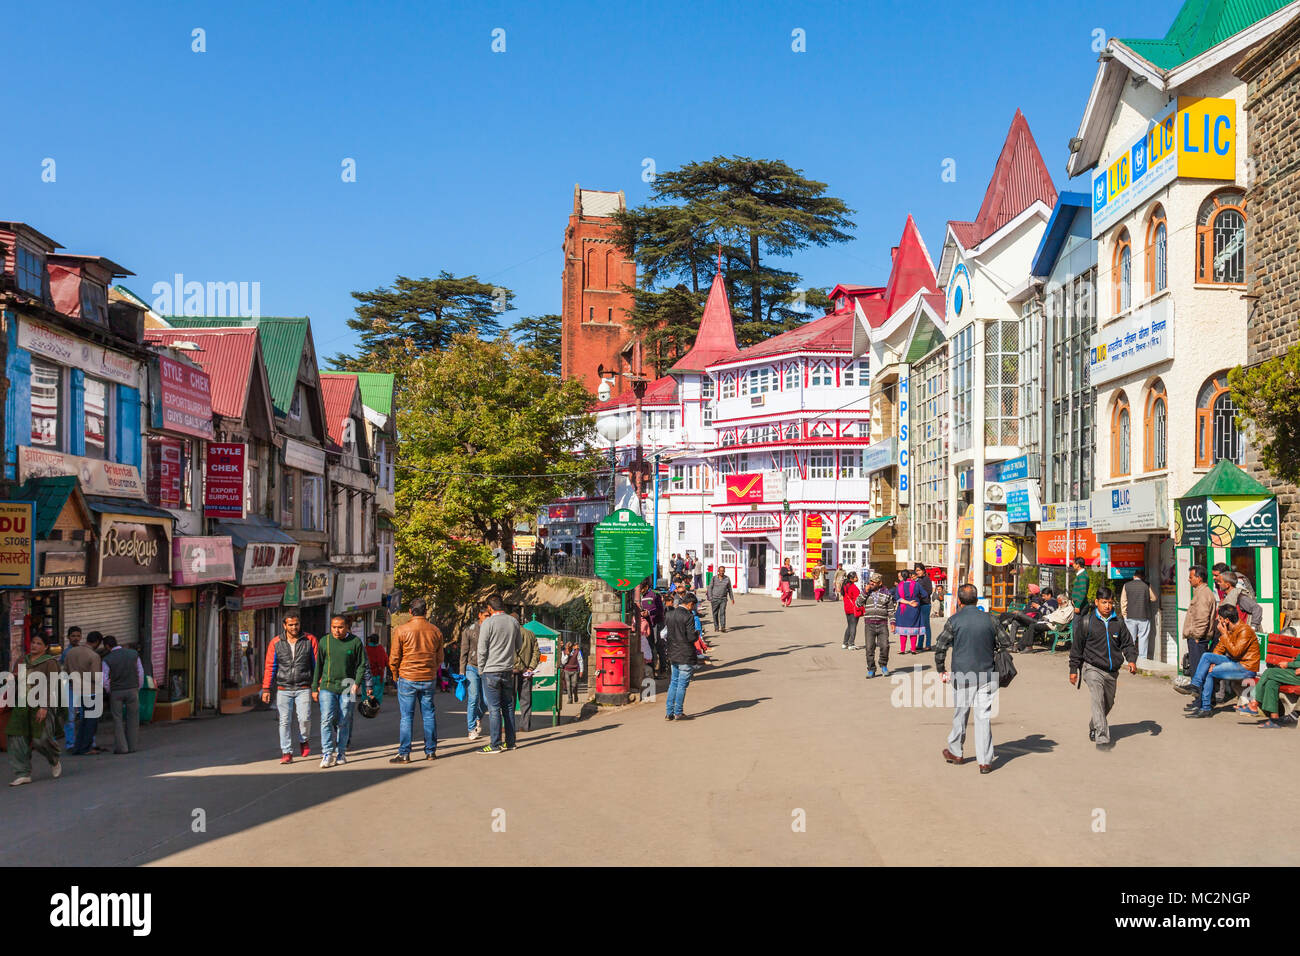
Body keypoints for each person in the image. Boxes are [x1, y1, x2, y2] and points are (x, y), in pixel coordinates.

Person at [935, 584, 1009, 774]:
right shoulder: (990, 619)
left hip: (962, 673)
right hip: (987, 673)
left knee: (961, 714)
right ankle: (985, 761)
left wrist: (941, 668)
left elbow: (941, 646)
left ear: (959, 600)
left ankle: (956, 752)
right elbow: (1006, 641)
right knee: (983, 717)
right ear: (977, 600)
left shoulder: (954, 621)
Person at [1069, 587, 1138, 750]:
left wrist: (1132, 660)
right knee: (1097, 699)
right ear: (1097, 603)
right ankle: (1102, 738)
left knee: (1108, 703)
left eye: (1110, 602)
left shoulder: (1118, 622)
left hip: (1112, 672)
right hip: (1092, 668)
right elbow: (1076, 648)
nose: (1107, 606)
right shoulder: (1087, 622)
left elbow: (1127, 643)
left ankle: (1094, 724)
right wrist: (1073, 670)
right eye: (1104, 602)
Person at [1175, 604, 1260, 718]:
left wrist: (1224, 634)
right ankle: (1195, 685)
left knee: (1211, 672)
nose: (1218, 621)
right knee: (1206, 656)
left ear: (1227, 620)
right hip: (1235, 662)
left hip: (1246, 667)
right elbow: (1220, 647)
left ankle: (1206, 708)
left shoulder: (1245, 631)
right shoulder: (1229, 629)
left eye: (1220, 618)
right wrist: (1213, 661)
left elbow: (1236, 652)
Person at [388, 598, 443, 762]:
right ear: (425, 611)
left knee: (406, 716)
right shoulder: (435, 631)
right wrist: (432, 670)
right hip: (428, 677)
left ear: (410, 612)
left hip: (407, 677)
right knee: (428, 715)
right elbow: (440, 658)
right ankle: (430, 751)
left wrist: (394, 674)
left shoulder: (401, 630)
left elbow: (394, 657)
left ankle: (404, 753)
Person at [312, 615, 371, 768]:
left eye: (339, 627)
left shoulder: (355, 642)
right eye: (333, 627)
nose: (336, 630)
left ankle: (341, 752)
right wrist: (314, 687)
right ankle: (327, 753)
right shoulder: (325, 641)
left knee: (344, 720)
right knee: (326, 719)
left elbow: (361, 665)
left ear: (346, 627)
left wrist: (357, 683)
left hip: (348, 685)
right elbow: (319, 665)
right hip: (327, 685)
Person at [260, 613, 319, 764]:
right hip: (283, 688)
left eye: (296, 624)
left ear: (300, 624)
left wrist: (317, 685)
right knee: (284, 721)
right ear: (284, 626)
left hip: (304, 686)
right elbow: (270, 666)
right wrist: (266, 688)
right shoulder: (276, 642)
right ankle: (286, 752)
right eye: (291, 625)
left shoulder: (309, 640)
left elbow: (317, 664)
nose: (294, 627)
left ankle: (304, 740)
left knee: (304, 718)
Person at [7, 632, 64, 786]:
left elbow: (53, 686)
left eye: (39, 643)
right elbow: (15, 679)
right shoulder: (22, 660)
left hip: (41, 704)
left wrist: (45, 706)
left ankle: (54, 758)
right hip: (22, 704)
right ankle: (22, 773)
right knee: (16, 738)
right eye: (33, 642)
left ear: (45, 647)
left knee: (41, 740)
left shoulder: (50, 662)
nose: (34, 646)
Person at [476, 594, 522, 754]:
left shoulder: (487, 623)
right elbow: (519, 645)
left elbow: (481, 650)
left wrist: (481, 669)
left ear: (489, 608)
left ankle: (495, 744)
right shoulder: (514, 622)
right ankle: (511, 742)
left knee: (494, 708)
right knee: (508, 706)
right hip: (508, 670)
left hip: (491, 670)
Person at [103, 635, 144, 755]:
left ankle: (122, 747)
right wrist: (138, 687)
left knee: (117, 719)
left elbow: (104, 679)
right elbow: (140, 672)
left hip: (116, 691)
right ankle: (132, 746)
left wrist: (110, 690)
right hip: (132, 690)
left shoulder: (107, 659)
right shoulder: (133, 654)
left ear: (107, 646)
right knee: (133, 718)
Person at [64, 632, 104, 755]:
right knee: (90, 720)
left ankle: (77, 746)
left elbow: (65, 670)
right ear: (97, 642)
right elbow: (95, 677)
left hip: (74, 688)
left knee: (82, 720)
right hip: (90, 691)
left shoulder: (71, 652)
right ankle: (86, 747)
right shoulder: (94, 656)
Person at [664, 593, 700, 721]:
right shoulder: (688, 617)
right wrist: (696, 634)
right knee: (681, 685)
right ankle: (678, 712)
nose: (693, 608)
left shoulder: (670, 614)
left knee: (673, 683)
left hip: (673, 653)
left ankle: (669, 712)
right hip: (685, 654)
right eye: (693, 606)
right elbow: (691, 637)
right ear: (690, 604)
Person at [858, 572, 897, 678]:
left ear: (880, 583)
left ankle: (883, 665)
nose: (871, 584)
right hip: (869, 625)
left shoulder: (887, 593)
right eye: (870, 581)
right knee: (869, 648)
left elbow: (890, 610)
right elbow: (858, 603)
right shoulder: (867, 592)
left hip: (882, 624)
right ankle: (871, 669)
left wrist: (893, 622)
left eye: (874, 582)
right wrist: (865, 592)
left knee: (885, 646)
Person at [460, 605, 490, 741]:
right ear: (480, 615)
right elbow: (463, 652)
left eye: (489, 616)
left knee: (486, 701)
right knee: (473, 698)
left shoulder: (492, 629)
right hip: (471, 667)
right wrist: (462, 672)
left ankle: (478, 717)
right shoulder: (469, 630)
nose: (488, 618)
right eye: (486, 616)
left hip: (487, 668)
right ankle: (471, 729)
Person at [1182, 565, 1218, 678]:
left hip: (1199, 639)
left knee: (1198, 670)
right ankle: (1199, 693)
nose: (1189, 579)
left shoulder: (1203, 594)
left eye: (1191, 577)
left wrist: (1197, 636)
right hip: (1197, 638)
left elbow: (1202, 618)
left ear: (1199, 578)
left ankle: (1200, 695)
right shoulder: (1200, 592)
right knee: (1196, 668)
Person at [1252, 650, 1300, 728]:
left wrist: (1288, 664)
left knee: (1269, 672)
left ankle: (1254, 703)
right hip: (1295, 671)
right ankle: (1274, 719)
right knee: (1271, 683)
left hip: (1297, 675)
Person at [1120, 570, 1158, 660]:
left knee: (1130, 639)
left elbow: (1123, 601)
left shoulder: (1126, 585)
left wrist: (1124, 614)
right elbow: (1154, 598)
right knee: (1143, 638)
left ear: (1134, 576)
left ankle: (1129, 658)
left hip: (1130, 616)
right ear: (1143, 577)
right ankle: (1142, 659)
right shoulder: (1146, 585)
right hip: (1144, 615)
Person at [998, 584, 1048, 652]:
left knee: (1010, 615)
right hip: (1028, 618)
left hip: (1034, 620)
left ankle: (1005, 621)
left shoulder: (1037, 600)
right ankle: (1010, 644)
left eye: (1030, 591)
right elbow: (1028, 611)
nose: (1028, 592)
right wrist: (1022, 612)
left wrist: (1021, 612)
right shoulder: (1031, 600)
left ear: (1034, 592)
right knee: (1015, 622)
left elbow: (1033, 612)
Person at [514, 614, 541, 731]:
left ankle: (507, 726)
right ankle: (525, 726)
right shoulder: (530, 634)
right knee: (526, 700)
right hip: (527, 672)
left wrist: (519, 666)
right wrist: (530, 667)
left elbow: (512, 653)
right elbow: (537, 652)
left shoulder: (510, 634)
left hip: (512, 671)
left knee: (509, 700)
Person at [58, 626, 82, 750]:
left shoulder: (84, 651)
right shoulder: (66, 653)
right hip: (71, 687)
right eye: (73, 636)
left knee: (83, 715)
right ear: (68, 637)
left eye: (78, 636)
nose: (76, 638)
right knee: (70, 716)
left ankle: (81, 742)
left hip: (82, 687)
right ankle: (70, 743)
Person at [895, 570, 927, 655]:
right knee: (914, 629)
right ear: (910, 575)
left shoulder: (899, 586)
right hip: (914, 608)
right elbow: (925, 594)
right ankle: (913, 649)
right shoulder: (916, 584)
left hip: (903, 609)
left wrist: (907, 602)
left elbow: (898, 598)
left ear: (902, 576)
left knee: (903, 630)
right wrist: (916, 598)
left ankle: (902, 649)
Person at [1069, 556, 1091, 644]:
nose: (1072, 565)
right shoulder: (1081, 575)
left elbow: (1083, 592)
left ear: (1078, 565)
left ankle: (1077, 647)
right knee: (1081, 627)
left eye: (1074, 563)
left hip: (1081, 606)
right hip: (1080, 605)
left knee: (1076, 627)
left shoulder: (1082, 576)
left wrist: (1077, 605)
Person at [914, 564, 934, 651]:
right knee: (920, 625)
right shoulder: (918, 580)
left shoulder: (926, 579)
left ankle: (928, 644)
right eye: (916, 570)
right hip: (919, 604)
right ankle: (920, 644)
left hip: (925, 604)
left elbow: (929, 591)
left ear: (923, 570)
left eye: (919, 570)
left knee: (926, 625)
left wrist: (920, 596)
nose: (917, 572)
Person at [365, 633, 389, 705]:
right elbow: (386, 661)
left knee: (367, 692)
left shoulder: (366, 649)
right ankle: (376, 705)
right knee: (378, 692)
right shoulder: (381, 648)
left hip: (367, 676)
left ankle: (367, 706)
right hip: (379, 675)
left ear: (369, 640)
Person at [840, 571, 862, 649]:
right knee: (853, 626)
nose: (857, 578)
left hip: (847, 608)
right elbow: (858, 599)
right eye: (856, 577)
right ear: (852, 579)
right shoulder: (853, 587)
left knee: (849, 625)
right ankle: (851, 643)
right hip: (853, 608)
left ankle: (845, 643)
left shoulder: (845, 586)